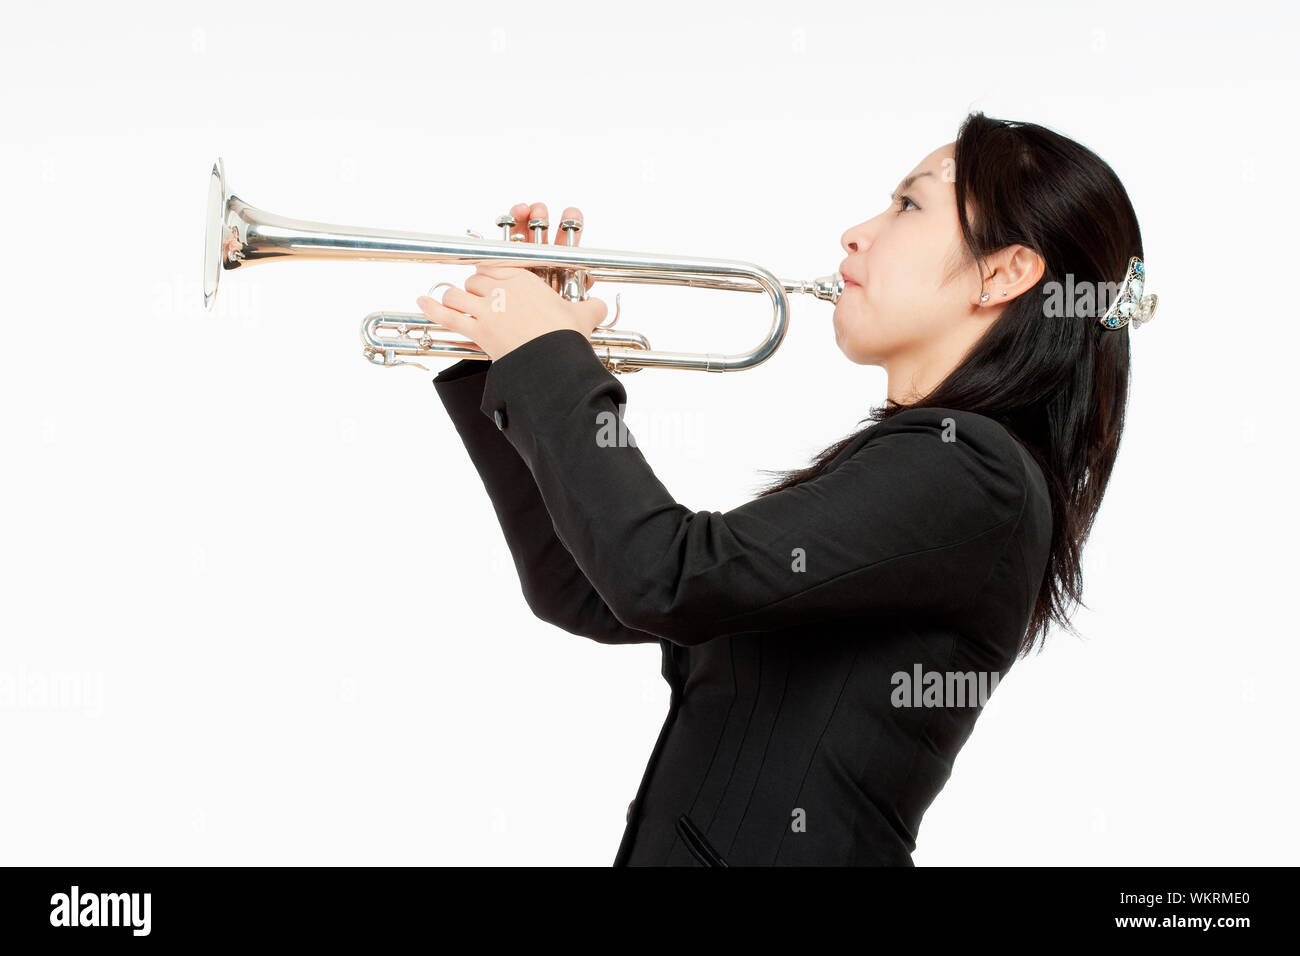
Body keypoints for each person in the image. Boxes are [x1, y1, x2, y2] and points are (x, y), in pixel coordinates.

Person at [418, 111, 1153, 866]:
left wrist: (550, 354)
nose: (855, 234)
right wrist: (502, 362)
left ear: (1003, 272)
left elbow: (664, 576)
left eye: (909, 205)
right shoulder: (940, 466)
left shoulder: (972, 469)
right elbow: (586, 590)